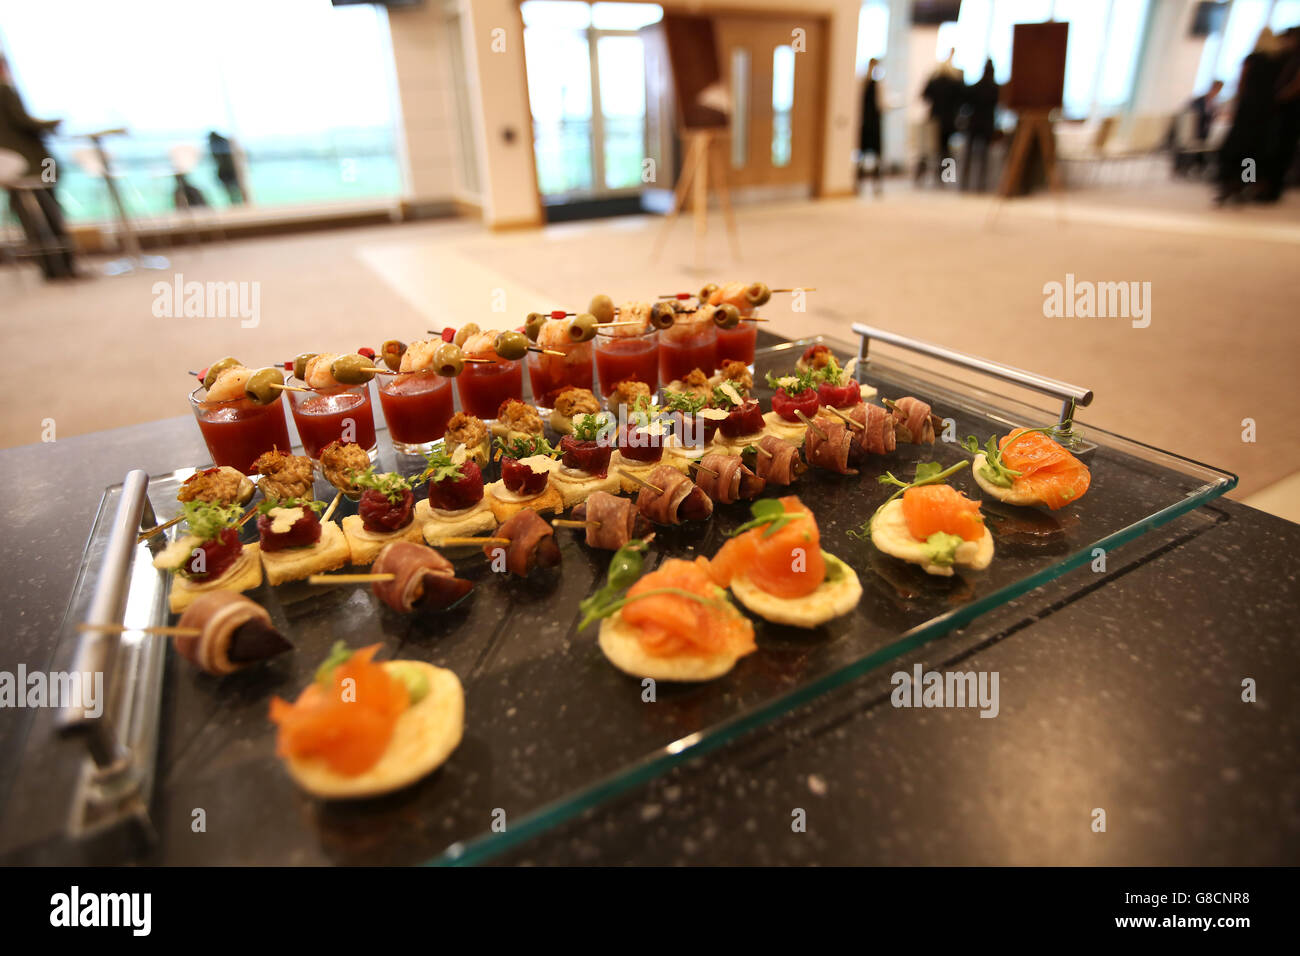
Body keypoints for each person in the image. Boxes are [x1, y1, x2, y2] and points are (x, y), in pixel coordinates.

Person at [0, 55, 77, 279]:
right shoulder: (5, 90)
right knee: (50, 209)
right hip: (36, 166)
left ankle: (50, 268)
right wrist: (56, 122)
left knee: (29, 215)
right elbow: (25, 122)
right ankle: (63, 266)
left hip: (12, 172)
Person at [915, 49, 963, 186]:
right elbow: (961, 101)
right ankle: (946, 178)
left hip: (934, 118)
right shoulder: (954, 82)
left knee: (927, 150)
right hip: (949, 120)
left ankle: (921, 177)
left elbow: (923, 96)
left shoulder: (935, 81)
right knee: (945, 151)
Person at [961, 60, 999, 192]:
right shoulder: (995, 89)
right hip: (987, 124)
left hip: (974, 123)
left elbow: (966, 105)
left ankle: (964, 181)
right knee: (983, 156)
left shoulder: (975, 87)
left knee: (969, 154)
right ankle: (981, 183)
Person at [1172, 80, 1222, 177]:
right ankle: (1185, 166)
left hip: (1204, 132)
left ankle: (1200, 167)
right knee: (1192, 145)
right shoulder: (1199, 101)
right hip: (1194, 131)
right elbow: (1190, 115)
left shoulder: (1214, 103)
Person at [857, 58, 884, 196]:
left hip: (865, 122)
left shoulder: (863, 83)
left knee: (864, 155)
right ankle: (873, 185)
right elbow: (882, 104)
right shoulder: (873, 84)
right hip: (873, 123)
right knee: (875, 155)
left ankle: (862, 184)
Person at [208, 130, 244, 205]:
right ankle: (236, 203)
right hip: (227, 172)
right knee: (234, 191)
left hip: (228, 172)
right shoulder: (224, 143)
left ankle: (237, 203)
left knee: (234, 191)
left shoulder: (219, 145)